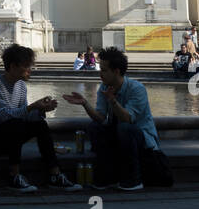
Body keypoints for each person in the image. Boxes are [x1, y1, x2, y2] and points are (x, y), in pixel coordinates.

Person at [0, 44, 81, 193]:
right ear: (13, 66)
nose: (30, 70)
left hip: (7, 137)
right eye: (26, 66)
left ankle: (55, 174)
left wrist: (41, 110)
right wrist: (32, 107)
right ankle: (13, 176)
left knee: (40, 124)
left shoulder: (21, 86)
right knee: (15, 124)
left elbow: (24, 116)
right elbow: (5, 116)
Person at [64, 47, 171, 190]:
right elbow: (101, 118)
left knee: (125, 128)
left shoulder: (136, 89)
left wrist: (113, 101)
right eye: (100, 69)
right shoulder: (105, 87)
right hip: (119, 134)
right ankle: (108, 177)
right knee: (95, 127)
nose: (100, 74)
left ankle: (134, 180)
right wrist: (85, 103)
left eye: (104, 70)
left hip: (141, 139)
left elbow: (128, 118)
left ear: (116, 71)